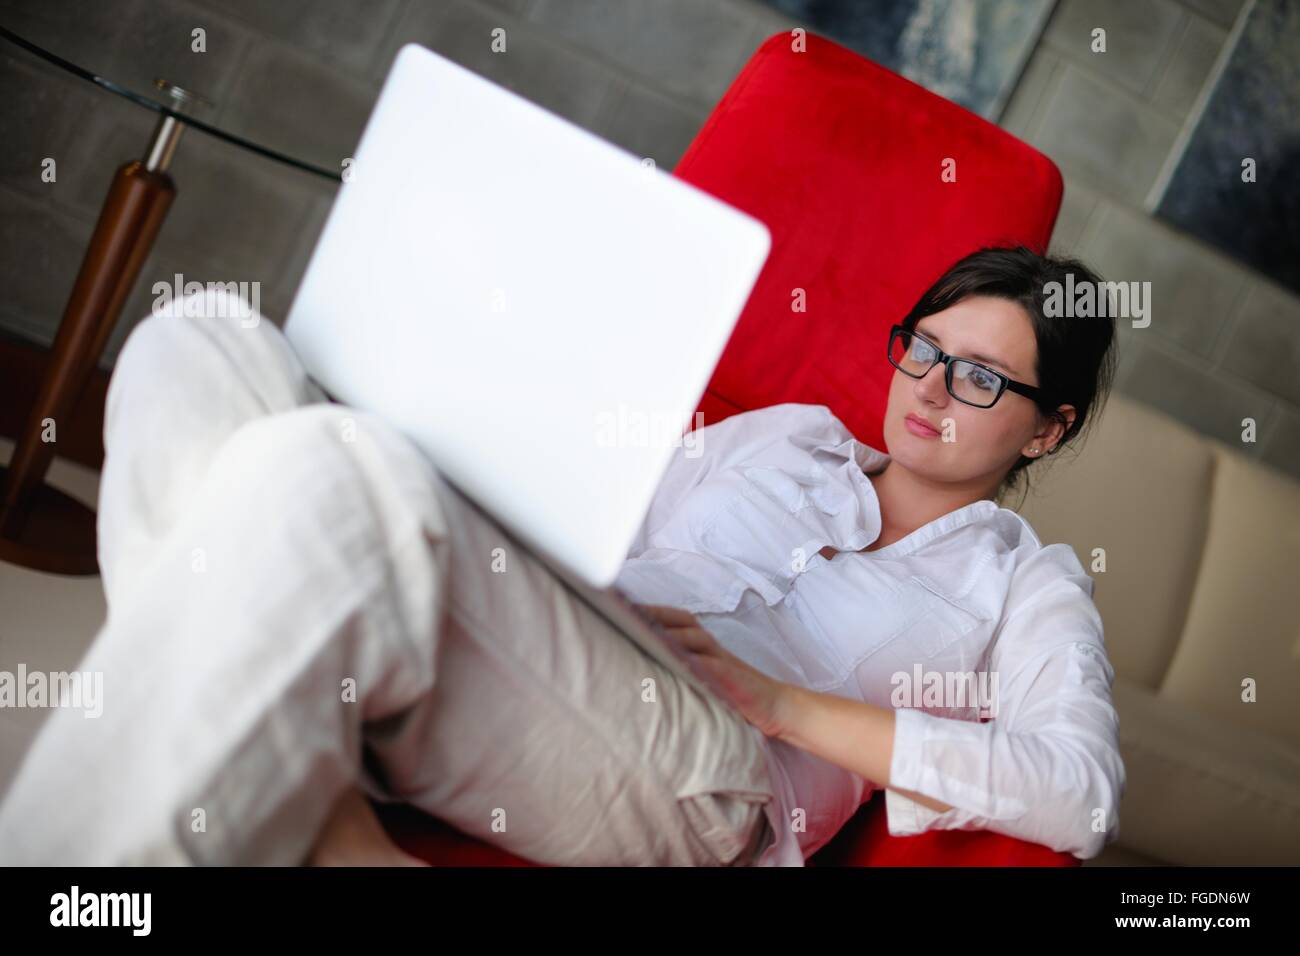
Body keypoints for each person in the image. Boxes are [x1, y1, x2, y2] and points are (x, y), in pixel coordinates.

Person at [0, 244, 1124, 866]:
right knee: (206, 340)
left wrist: (784, 702)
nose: (928, 385)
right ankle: (327, 821)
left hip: (704, 771)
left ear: (1047, 427)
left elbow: (1078, 797)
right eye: (924, 346)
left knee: (334, 474)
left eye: (979, 375)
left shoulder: (1028, 583)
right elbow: (602, 523)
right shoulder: (788, 432)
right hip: (561, 638)